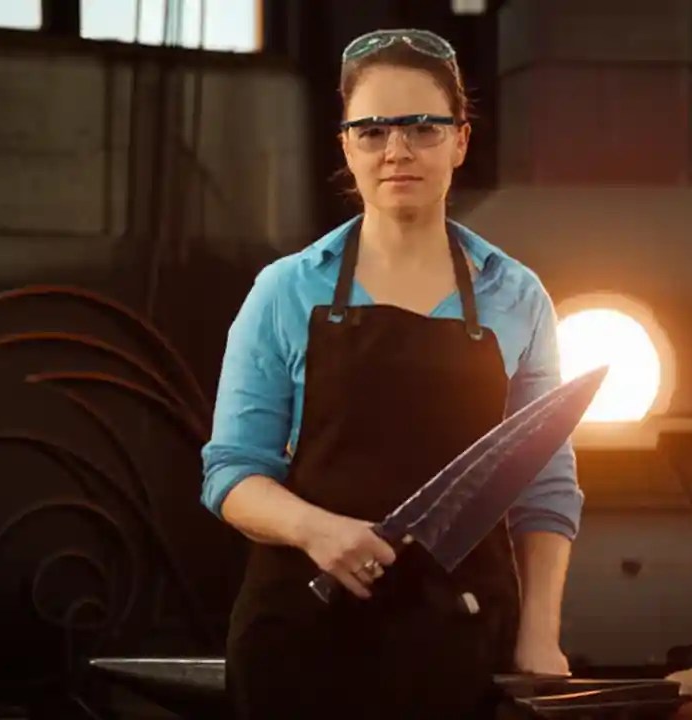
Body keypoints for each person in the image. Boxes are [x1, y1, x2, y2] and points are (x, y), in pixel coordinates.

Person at [200, 28, 584, 719]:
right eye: (373, 131)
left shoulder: (516, 295)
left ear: (460, 141)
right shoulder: (286, 291)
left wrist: (541, 634)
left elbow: (545, 484)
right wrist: (318, 531)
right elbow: (230, 474)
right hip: (301, 643)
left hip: (462, 638)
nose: (397, 151)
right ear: (346, 143)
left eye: (423, 128)